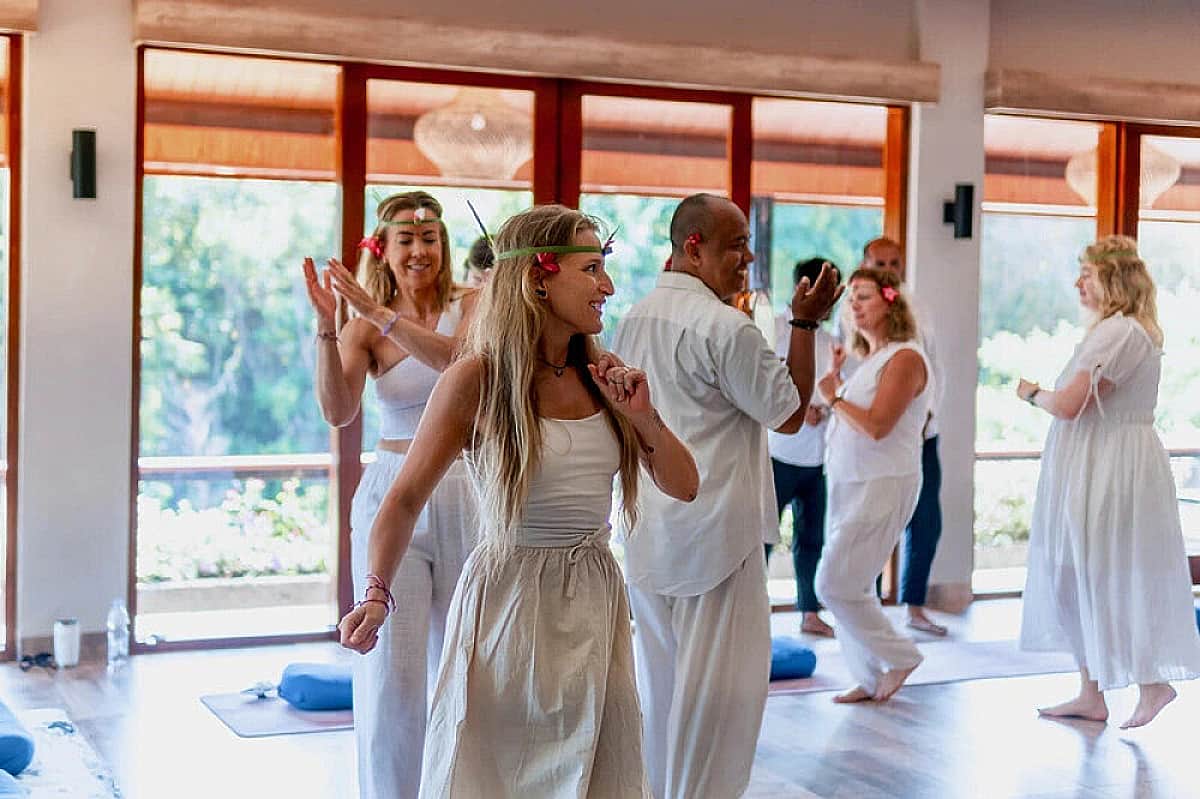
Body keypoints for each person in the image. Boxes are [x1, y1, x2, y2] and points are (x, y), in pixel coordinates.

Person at [338, 204, 699, 797]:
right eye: (591, 269)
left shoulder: (606, 376)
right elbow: (402, 500)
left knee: (590, 771)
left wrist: (644, 417)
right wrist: (377, 593)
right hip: (509, 602)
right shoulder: (475, 379)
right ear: (539, 276)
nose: (607, 286)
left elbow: (685, 485)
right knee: (507, 774)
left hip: (594, 599)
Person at [611, 193, 840, 799]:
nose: (748, 256)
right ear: (694, 247)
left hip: (649, 529)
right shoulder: (724, 326)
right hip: (716, 534)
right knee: (721, 705)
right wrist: (805, 323)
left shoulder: (634, 317)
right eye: (736, 242)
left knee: (661, 694)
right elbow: (788, 412)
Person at [301, 190, 478, 799]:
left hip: (468, 489)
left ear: (444, 244)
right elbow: (338, 409)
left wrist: (379, 314)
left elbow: (463, 365)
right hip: (391, 490)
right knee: (391, 676)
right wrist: (331, 328)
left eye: (429, 238)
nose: (420, 250)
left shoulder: (474, 305)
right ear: (385, 247)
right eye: (406, 239)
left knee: (469, 661)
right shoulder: (359, 327)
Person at [1016, 235, 1200, 729]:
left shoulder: (1119, 333)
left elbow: (1070, 405)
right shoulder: (1117, 331)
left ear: (1113, 281)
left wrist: (1032, 393)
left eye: (1087, 273)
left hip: (1111, 462)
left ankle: (1150, 681)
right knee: (1074, 572)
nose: (1078, 282)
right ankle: (1091, 691)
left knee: (1102, 571)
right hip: (1100, 457)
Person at [815, 267, 932, 703]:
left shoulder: (906, 358)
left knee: (833, 583)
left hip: (884, 482)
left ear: (890, 302)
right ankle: (867, 676)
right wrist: (837, 392)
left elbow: (878, 426)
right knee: (854, 583)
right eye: (851, 299)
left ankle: (901, 655)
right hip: (851, 479)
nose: (854, 305)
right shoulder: (872, 360)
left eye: (864, 296)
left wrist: (834, 396)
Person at [860, 237, 948, 635]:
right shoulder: (856, 309)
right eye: (880, 261)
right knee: (873, 519)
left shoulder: (919, 311)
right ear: (866, 262)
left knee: (926, 519)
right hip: (874, 434)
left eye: (894, 261)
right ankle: (868, 604)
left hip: (921, 432)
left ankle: (914, 604)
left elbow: (933, 367)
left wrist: (928, 411)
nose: (888, 267)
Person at [767, 257, 841, 637]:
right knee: (764, 535)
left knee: (810, 539)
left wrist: (822, 408)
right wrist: (800, 408)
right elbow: (770, 383)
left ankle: (809, 612)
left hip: (817, 457)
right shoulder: (775, 329)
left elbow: (837, 388)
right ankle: (752, 612)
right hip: (778, 452)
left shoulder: (833, 342)